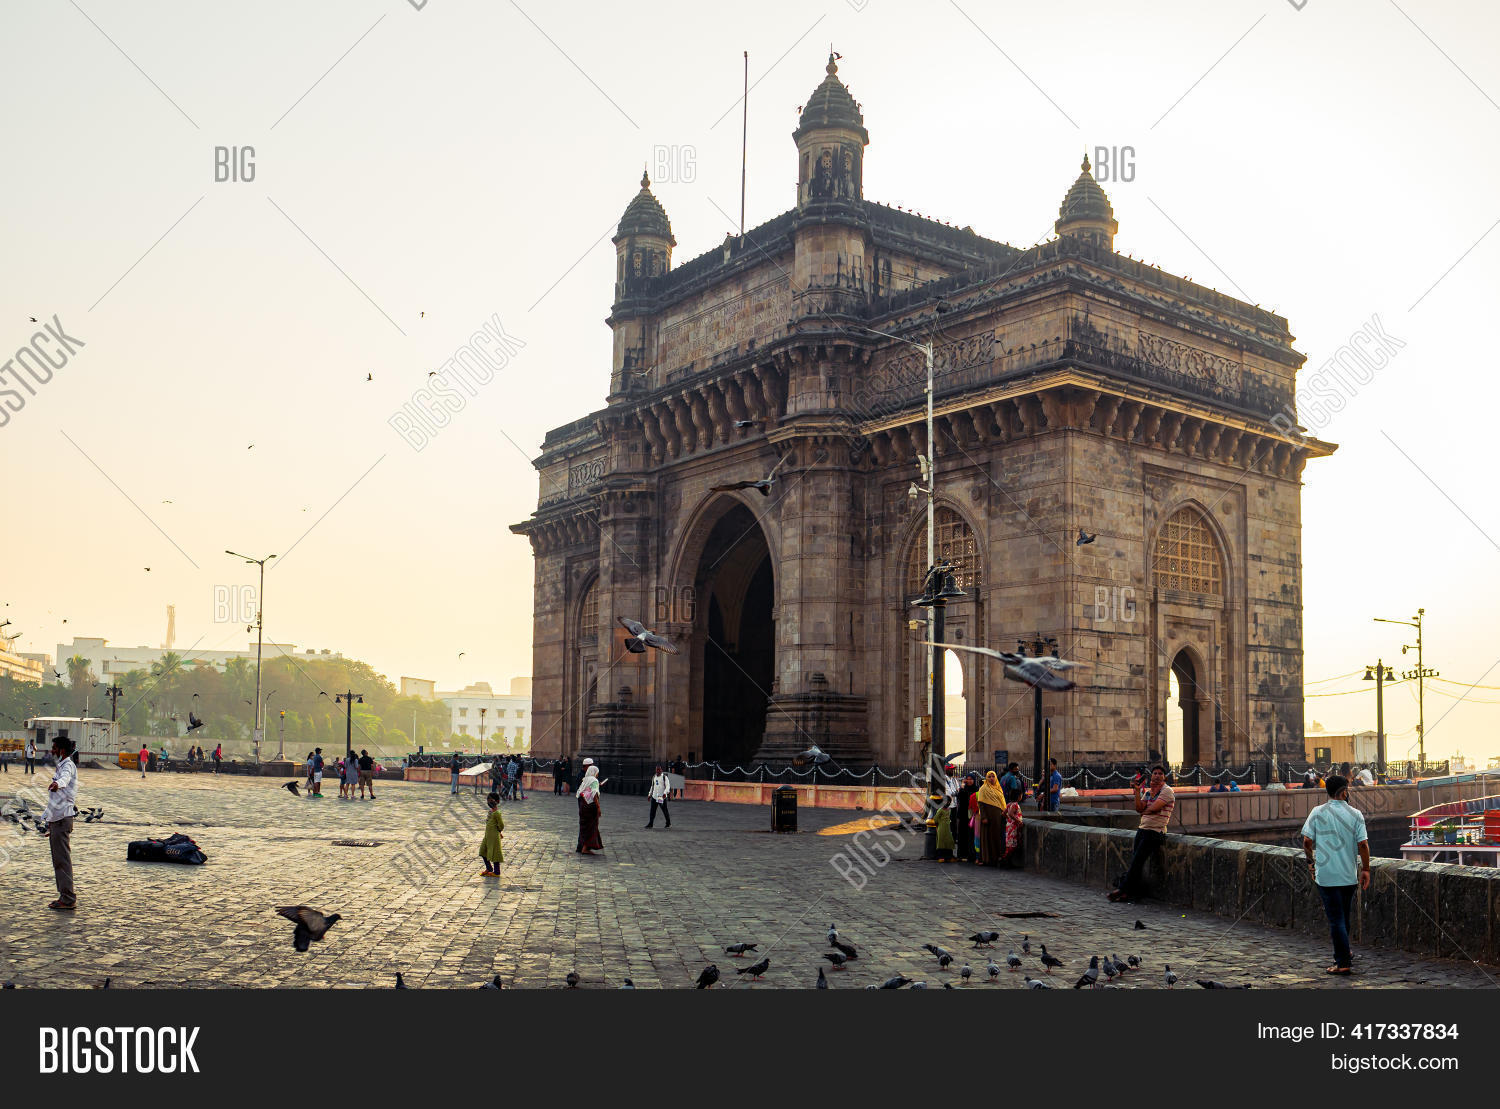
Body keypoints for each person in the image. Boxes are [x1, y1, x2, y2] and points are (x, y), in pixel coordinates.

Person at [1301, 774, 1371, 976]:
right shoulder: (1356, 814)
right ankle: (1345, 952)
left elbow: (1306, 842)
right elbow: (1363, 845)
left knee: (1336, 920)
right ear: (1345, 792)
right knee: (1344, 917)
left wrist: (1310, 863)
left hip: (1326, 875)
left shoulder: (1317, 812)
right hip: (1348, 875)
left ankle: (1342, 962)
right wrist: (1365, 869)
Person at [1108, 765, 1175, 903]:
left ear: (1165, 777)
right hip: (1143, 829)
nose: (1157, 775)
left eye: (1160, 773)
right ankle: (1130, 893)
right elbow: (1139, 808)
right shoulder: (1149, 792)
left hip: (1155, 832)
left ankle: (1121, 889)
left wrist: (1145, 811)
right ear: (1151, 776)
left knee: (1137, 860)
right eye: (1155, 773)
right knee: (1136, 862)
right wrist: (1137, 792)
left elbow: (1153, 808)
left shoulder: (1167, 791)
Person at [43, 732, 79, 911]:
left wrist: (59, 784)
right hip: (57, 819)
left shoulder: (68, 766)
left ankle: (68, 898)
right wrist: (48, 820)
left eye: (55, 748)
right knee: (58, 860)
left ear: (62, 750)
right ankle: (64, 895)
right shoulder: (61, 765)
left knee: (62, 860)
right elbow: (54, 800)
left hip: (63, 819)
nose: (52, 750)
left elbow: (65, 779)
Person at [975, 770, 1008, 866]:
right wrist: (984, 817)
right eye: (989, 777)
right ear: (986, 778)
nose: (991, 778)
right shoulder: (983, 788)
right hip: (988, 817)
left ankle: (996, 857)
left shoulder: (998, 788)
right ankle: (987, 858)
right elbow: (980, 804)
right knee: (987, 837)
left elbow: (1002, 802)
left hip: (998, 817)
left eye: (993, 776)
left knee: (996, 837)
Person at [577, 762, 604, 854]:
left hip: (583, 806)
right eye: (597, 773)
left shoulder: (585, 779)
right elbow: (594, 794)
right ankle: (585, 848)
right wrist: (598, 807)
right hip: (591, 807)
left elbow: (580, 792)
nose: (597, 774)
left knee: (584, 826)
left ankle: (582, 846)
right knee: (591, 827)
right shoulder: (594, 781)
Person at [953, 771, 978, 863]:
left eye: (971, 779)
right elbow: (959, 798)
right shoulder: (963, 789)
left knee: (971, 835)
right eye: (967, 779)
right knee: (962, 834)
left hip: (973, 815)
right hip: (963, 815)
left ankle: (971, 854)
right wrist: (962, 786)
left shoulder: (976, 789)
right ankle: (961, 855)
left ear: (974, 780)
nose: (969, 781)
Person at [480, 792, 505, 877]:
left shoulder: (497, 813)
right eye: (488, 800)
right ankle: (489, 868)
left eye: (491, 800)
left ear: (497, 801)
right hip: (487, 836)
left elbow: (501, 825)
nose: (489, 802)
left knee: (495, 853)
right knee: (483, 851)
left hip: (494, 836)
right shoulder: (490, 812)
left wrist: (499, 832)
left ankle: (497, 872)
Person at [646, 764, 672, 829]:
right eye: (656, 769)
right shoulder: (654, 777)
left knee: (664, 810)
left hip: (661, 797)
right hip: (654, 797)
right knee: (652, 811)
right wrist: (649, 794)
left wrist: (665, 793)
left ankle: (668, 823)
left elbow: (668, 786)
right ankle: (650, 823)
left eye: (659, 769)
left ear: (661, 770)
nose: (657, 771)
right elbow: (652, 786)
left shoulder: (664, 777)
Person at [1000, 800, 1024, 868]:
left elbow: (1003, 813)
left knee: (1010, 844)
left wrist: (1009, 819)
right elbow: (1010, 813)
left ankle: (1008, 862)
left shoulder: (1009, 804)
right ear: (1019, 797)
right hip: (1013, 826)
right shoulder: (1015, 804)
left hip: (1009, 825)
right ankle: (1004, 862)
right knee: (1012, 845)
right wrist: (1018, 821)